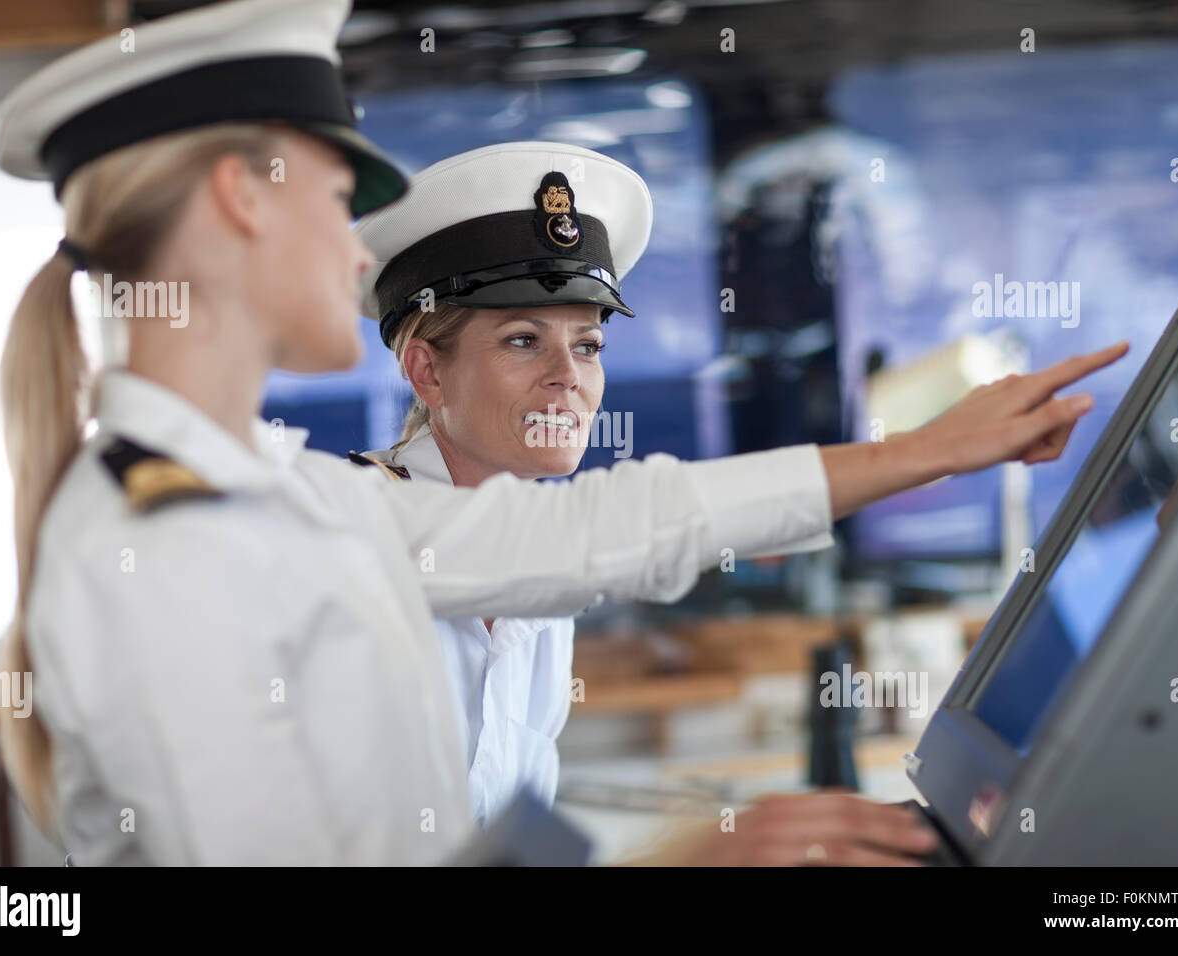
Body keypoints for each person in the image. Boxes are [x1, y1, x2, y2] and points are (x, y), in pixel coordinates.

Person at [0, 0, 1126, 866]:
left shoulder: (290, 497)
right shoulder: (175, 541)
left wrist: (926, 450)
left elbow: (601, 531)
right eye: (342, 198)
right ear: (245, 195)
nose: (351, 253)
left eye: (582, 342)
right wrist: (697, 856)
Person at [349, 140, 839, 830]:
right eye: (524, 340)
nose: (568, 376)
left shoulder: (548, 577)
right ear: (428, 373)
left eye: (587, 345)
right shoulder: (357, 529)